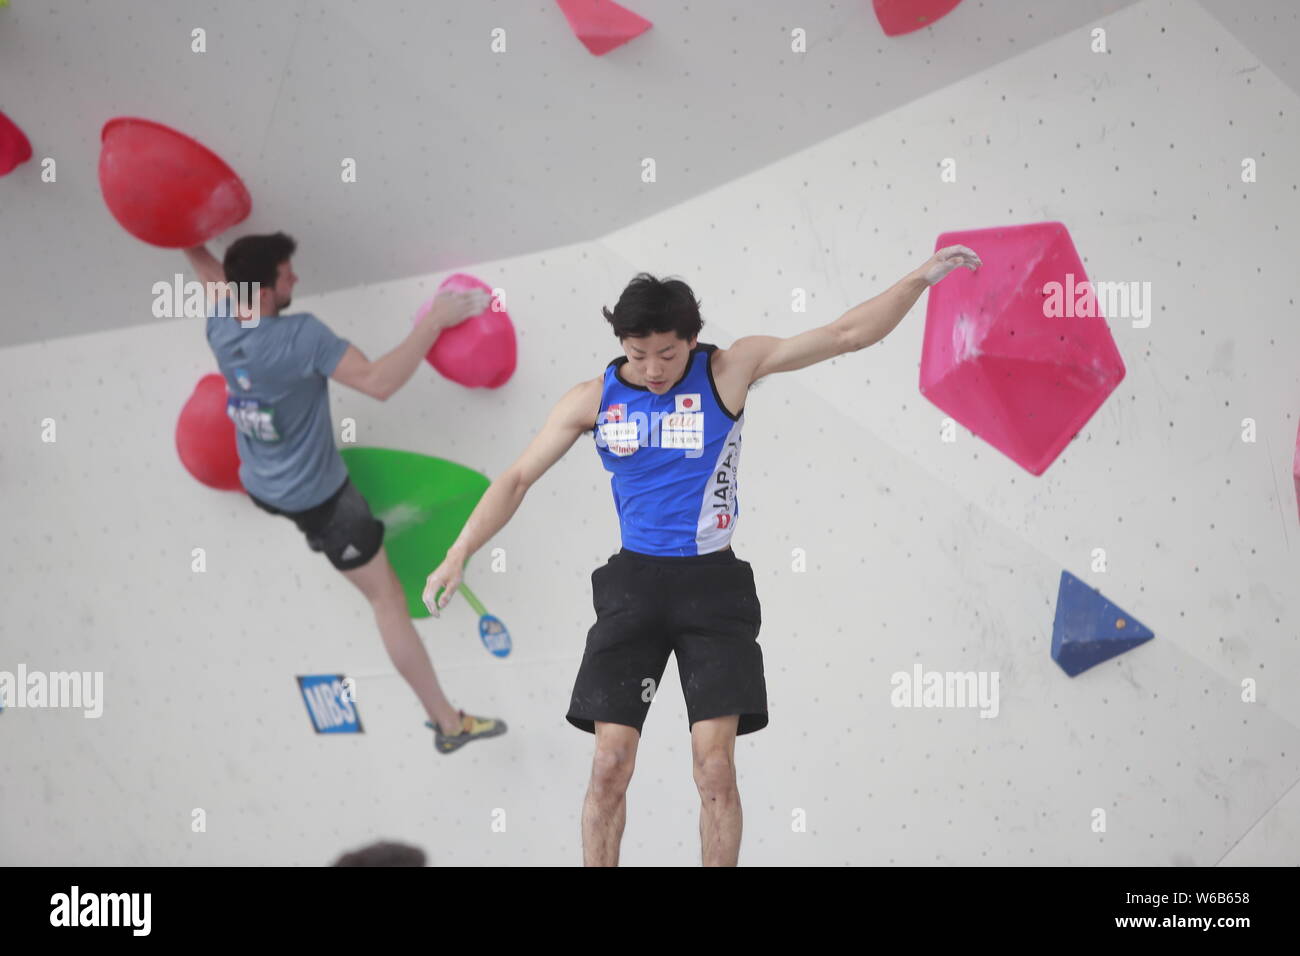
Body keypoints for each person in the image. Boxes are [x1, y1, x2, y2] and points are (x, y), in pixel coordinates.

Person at [422, 245, 981, 864]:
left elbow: (847, 334)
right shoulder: (594, 399)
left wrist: (922, 278)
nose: (654, 368)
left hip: (713, 585)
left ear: (692, 339)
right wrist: (457, 554)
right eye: (638, 355)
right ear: (622, 345)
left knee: (714, 768)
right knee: (609, 763)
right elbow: (516, 479)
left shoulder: (729, 371)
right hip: (633, 583)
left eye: (667, 353)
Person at [182, 232, 507, 755]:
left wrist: (188, 239)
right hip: (322, 503)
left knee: (360, 558)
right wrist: (435, 321)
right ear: (264, 292)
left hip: (259, 480)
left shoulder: (223, 321)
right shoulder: (300, 337)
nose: (297, 279)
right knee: (388, 601)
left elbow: (212, 275)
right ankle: (448, 724)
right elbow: (378, 382)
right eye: (287, 273)